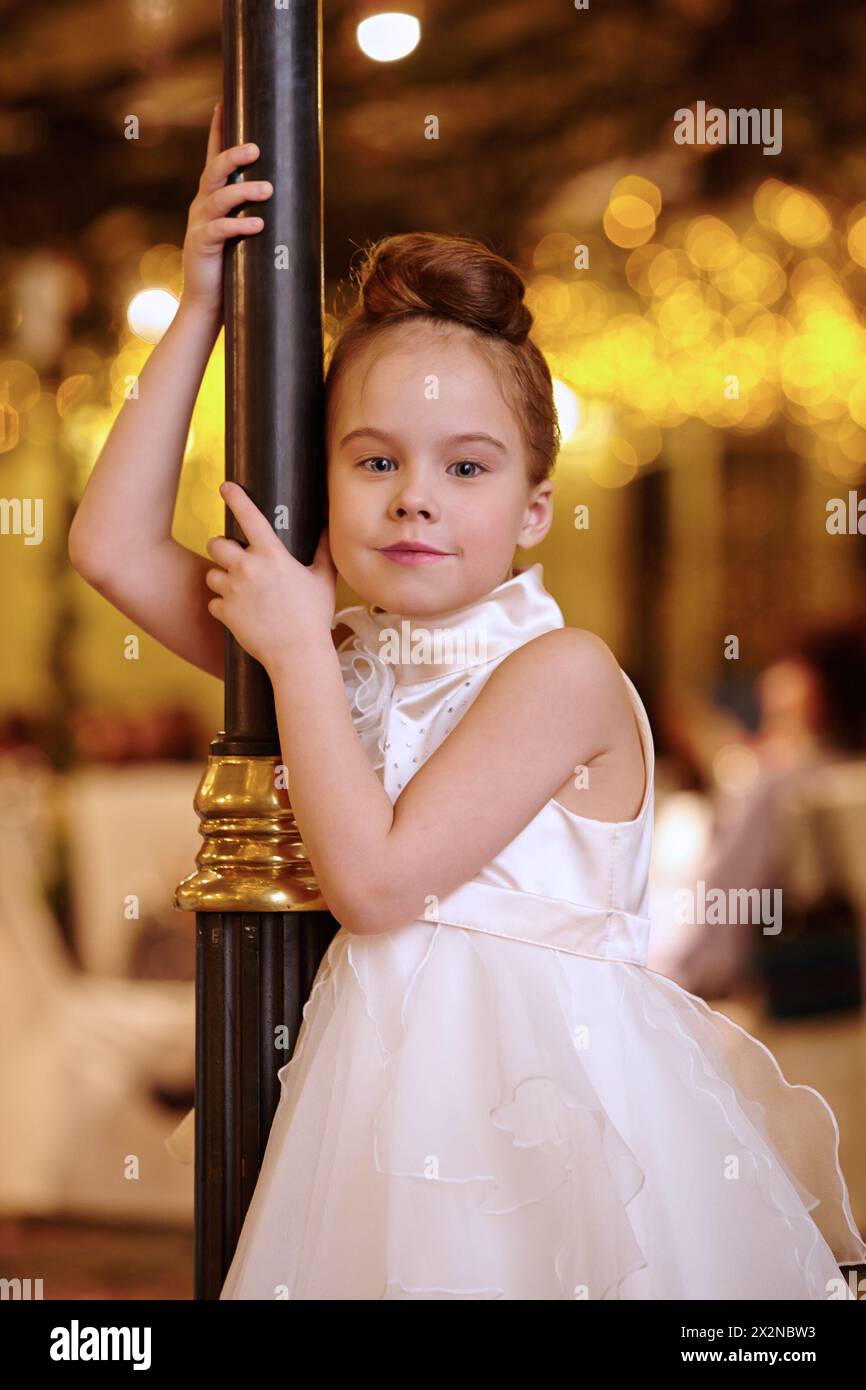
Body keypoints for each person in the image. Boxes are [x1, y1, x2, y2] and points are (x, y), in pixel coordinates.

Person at [68, 105, 866, 1300]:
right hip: (369, 1110)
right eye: (374, 460)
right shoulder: (331, 647)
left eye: (467, 465)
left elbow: (381, 885)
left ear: (534, 507)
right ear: (321, 479)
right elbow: (112, 546)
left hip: (540, 1122)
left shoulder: (561, 672)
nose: (414, 501)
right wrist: (202, 312)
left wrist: (294, 655)